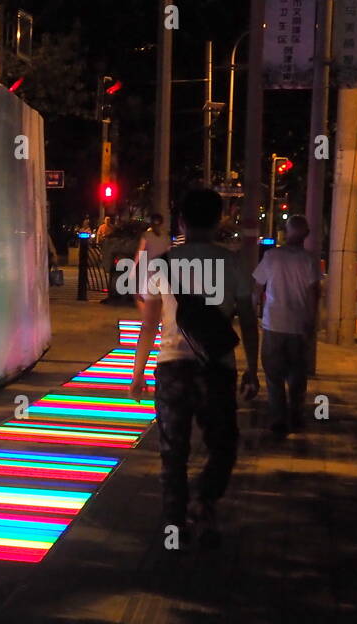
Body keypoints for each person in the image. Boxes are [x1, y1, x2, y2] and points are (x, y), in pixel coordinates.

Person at [131, 189, 259, 548]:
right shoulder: (233, 264)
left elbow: (149, 325)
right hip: (217, 367)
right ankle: (204, 499)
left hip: (172, 367)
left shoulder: (164, 264)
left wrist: (138, 371)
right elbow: (248, 321)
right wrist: (252, 367)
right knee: (223, 444)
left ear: (182, 221)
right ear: (219, 220)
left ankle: (174, 526)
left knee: (174, 450)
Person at [253, 216, 321, 436]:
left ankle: (278, 418)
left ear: (286, 232)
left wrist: (254, 312)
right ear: (306, 234)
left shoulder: (272, 256)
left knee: (273, 375)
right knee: (297, 374)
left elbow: (257, 287)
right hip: (299, 324)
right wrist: (311, 320)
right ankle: (296, 416)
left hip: (274, 322)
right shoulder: (309, 260)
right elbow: (314, 293)